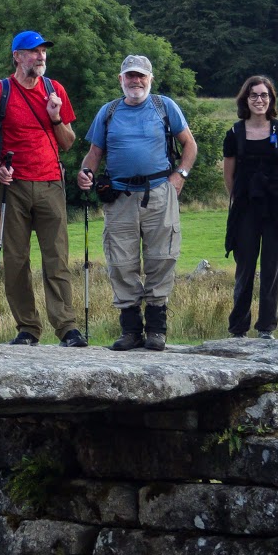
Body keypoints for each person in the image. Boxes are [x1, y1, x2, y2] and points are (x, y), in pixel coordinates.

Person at [77, 54, 198, 351]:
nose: (136, 81)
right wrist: (85, 173)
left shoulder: (164, 106)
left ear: (150, 79)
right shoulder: (108, 112)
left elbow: (190, 144)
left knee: (162, 258)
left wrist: (180, 176)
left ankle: (157, 330)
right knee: (121, 262)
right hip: (119, 197)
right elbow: (95, 152)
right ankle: (131, 331)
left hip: (159, 191)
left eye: (141, 76)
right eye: (130, 76)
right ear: (121, 79)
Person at [0, 30, 87, 347]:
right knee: (16, 260)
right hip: (14, 187)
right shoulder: (0, 92)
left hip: (51, 182)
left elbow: (67, 142)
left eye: (43, 52)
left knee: (57, 259)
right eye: (33, 51)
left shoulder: (55, 90)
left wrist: (55, 117)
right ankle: (27, 328)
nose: (40, 57)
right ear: (17, 56)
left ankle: (67, 328)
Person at [222, 74, 278, 339]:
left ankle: (266, 328)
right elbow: (229, 176)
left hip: (276, 207)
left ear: (271, 99)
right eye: (254, 95)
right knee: (244, 267)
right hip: (245, 207)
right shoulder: (234, 133)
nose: (259, 100)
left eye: (264, 95)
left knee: (271, 268)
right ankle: (238, 328)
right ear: (246, 99)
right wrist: (238, 201)